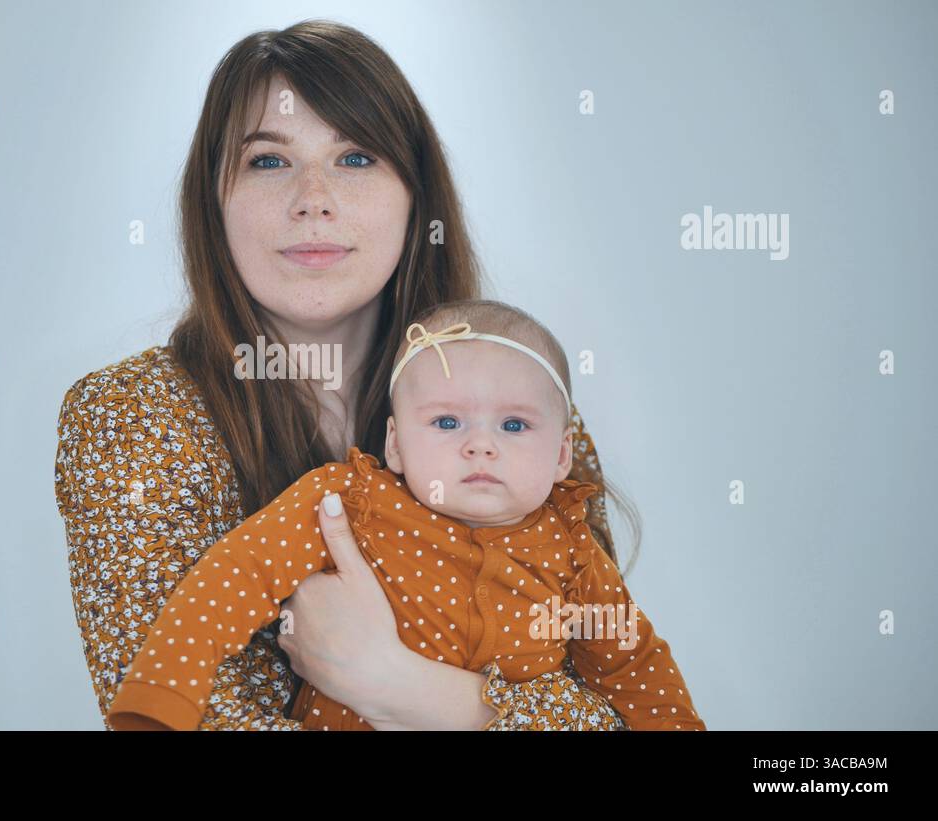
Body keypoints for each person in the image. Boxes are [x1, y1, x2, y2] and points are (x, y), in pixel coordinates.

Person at [55, 20, 639, 730]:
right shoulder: (128, 417)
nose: (313, 199)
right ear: (214, 200)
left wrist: (395, 681)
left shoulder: (520, 407)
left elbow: (621, 703)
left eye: (356, 157)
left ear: (415, 198)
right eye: (268, 161)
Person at [105, 300, 704, 731]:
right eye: (447, 422)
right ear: (394, 445)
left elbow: (633, 666)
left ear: (562, 456)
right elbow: (237, 574)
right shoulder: (354, 501)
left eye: (514, 425)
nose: (481, 445)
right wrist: (163, 691)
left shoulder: (573, 549)